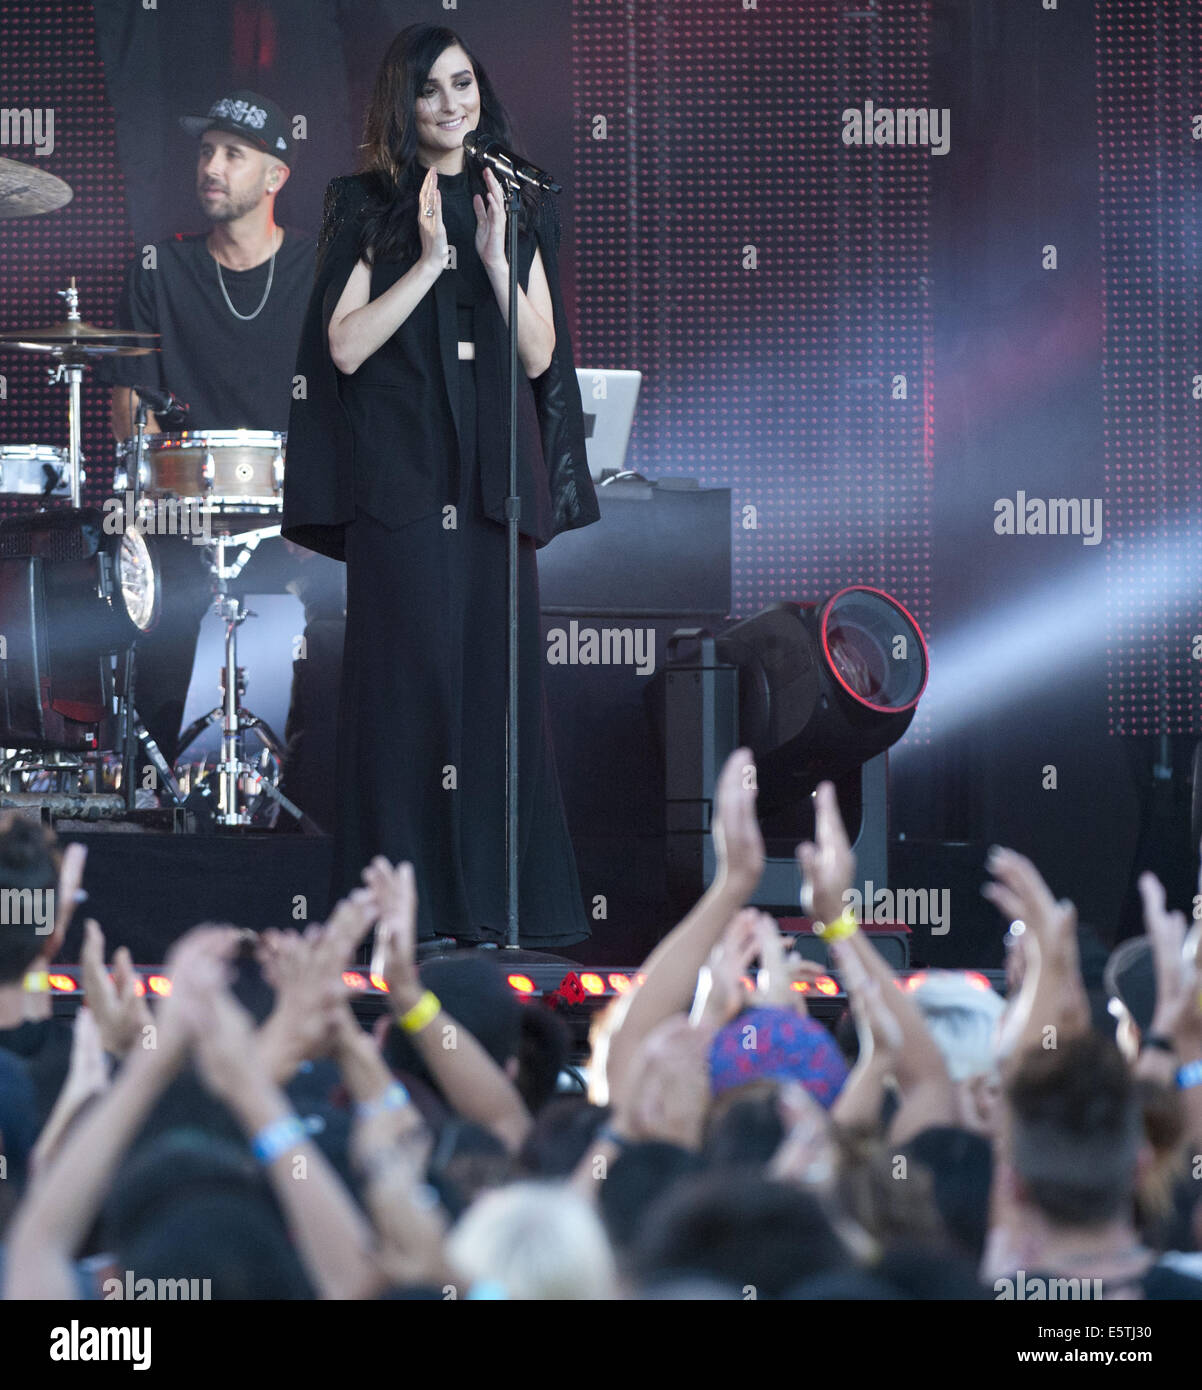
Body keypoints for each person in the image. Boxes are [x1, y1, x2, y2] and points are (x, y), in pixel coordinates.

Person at [282, 26, 599, 944]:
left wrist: (496, 261)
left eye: (463, 84)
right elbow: (341, 346)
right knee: (406, 696)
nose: (452, 104)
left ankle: (502, 914)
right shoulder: (365, 202)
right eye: (430, 91)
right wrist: (425, 263)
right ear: (403, 105)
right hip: (403, 485)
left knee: (498, 702)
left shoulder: (518, 197)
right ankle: (400, 920)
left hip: (492, 488)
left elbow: (542, 355)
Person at [100, 92, 343, 824]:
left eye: (232, 153)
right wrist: (138, 502)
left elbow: (350, 397)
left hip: (291, 516)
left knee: (338, 642)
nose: (211, 166)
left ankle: (301, 806)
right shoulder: (159, 268)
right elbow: (128, 408)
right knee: (149, 628)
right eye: (206, 150)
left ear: (275, 176)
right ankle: (158, 808)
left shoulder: (319, 266)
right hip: (179, 514)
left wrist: (321, 506)